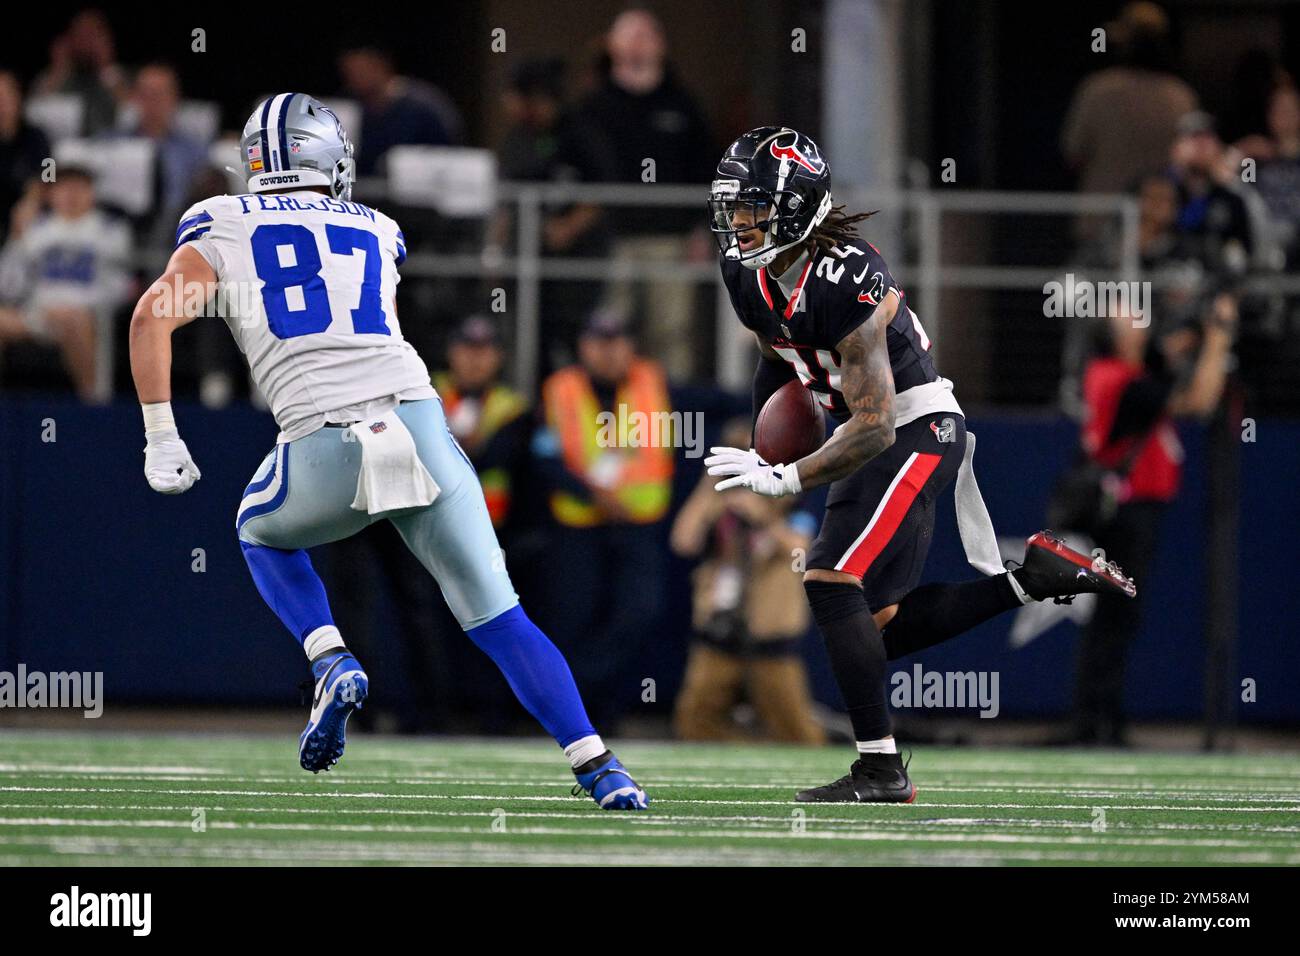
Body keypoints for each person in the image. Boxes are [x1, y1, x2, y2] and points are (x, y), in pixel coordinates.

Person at [126, 93, 646, 810]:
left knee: (257, 528)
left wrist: (161, 434)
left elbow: (152, 315)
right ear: (328, 161)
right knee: (502, 619)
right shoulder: (376, 228)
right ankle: (600, 765)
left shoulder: (222, 221)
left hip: (324, 437)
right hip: (421, 423)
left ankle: (329, 657)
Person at [704, 127, 1137, 803]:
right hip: (865, 431)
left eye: (753, 206)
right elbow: (775, 357)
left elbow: (877, 424)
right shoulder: (744, 272)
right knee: (877, 629)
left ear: (795, 205)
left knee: (827, 580)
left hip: (914, 427)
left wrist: (788, 477)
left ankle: (881, 769)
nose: (738, 222)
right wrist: (768, 450)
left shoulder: (847, 274)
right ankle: (1030, 584)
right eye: (732, 206)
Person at [1067, 297, 1238, 745]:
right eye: (1131, 322)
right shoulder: (1127, 383)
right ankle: (1097, 724)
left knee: (1114, 613)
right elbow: (1199, 401)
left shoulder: (1112, 373)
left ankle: (1101, 720)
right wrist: (1219, 338)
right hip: (1128, 510)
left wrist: (1196, 333)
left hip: (1121, 507)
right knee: (1118, 614)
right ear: (1116, 336)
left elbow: (1164, 355)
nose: (1142, 327)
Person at [533, 311, 674, 727]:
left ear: (630, 346)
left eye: (617, 340)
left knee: (638, 612)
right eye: (599, 341)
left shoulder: (651, 381)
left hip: (637, 523)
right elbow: (544, 456)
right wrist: (592, 494)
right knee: (572, 617)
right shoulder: (561, 388)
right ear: (583, 346)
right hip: (579, 525)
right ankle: (572, 714)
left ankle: (589, 699)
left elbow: (682, 430)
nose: (608, 350)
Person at [578, 8, 714, 379]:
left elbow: (707, 172)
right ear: (612, 45)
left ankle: (670, 419)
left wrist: (702, 230)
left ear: (662, 46)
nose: (638, 42)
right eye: (629, 34)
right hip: (611, 239)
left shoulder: (683, 105)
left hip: (670, 241)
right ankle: (606, 414)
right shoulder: (593, 106)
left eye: (647, 34)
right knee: (608, 329)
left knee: (671, 333)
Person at [671, 419, 824, 744]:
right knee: (695, 721)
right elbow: (684, 541)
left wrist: (765, 519)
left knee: (798, 734)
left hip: (770, 638)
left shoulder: (791, 501)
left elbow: (804, 554)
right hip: (718, 634)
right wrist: (709, 483)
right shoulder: (720, 502)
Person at [496, 58, 615, 367]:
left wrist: (567, 227)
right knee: (533, 341)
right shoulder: (519, 138)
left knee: (576, 337)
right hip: (529, 262)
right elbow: (507, 196)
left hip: (577, 264)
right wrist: (497, 249)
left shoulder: (581, 132)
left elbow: (602, 190)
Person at [0, 160, 130, 400]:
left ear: (92, 192)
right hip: (39, 314)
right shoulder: (37, 228)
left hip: (87, 314)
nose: (71, 195)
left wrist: (87, 305)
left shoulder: (110, 229)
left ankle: (94, 404)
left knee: (73, 319)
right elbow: (7, 287)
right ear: (51, 194)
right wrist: (17, 238)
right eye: (64, 187)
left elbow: (121, 286)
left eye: (79, 188)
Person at [436, 316, 530, 529]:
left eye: (484, 350)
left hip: (491, 524)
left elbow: (505, 458)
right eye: (467, 349)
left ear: (499, 357)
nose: (475, 359)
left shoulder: (512, 407)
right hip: (434, 522)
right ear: (451, 352)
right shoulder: (428, 393)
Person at [337, 47, 453, 176]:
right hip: (365, 189)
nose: (354, 81)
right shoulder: (352, 107)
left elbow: (447, 155)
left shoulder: (423, 107)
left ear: (379, 67)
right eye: (348, 75)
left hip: (416, 186)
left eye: (360, 72)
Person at [0, 71, 52, 247]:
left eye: (6, 97)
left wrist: (33, 199)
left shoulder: (37, 137)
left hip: (27, 216)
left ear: (18, 99)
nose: (2, 104)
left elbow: (49, 174)